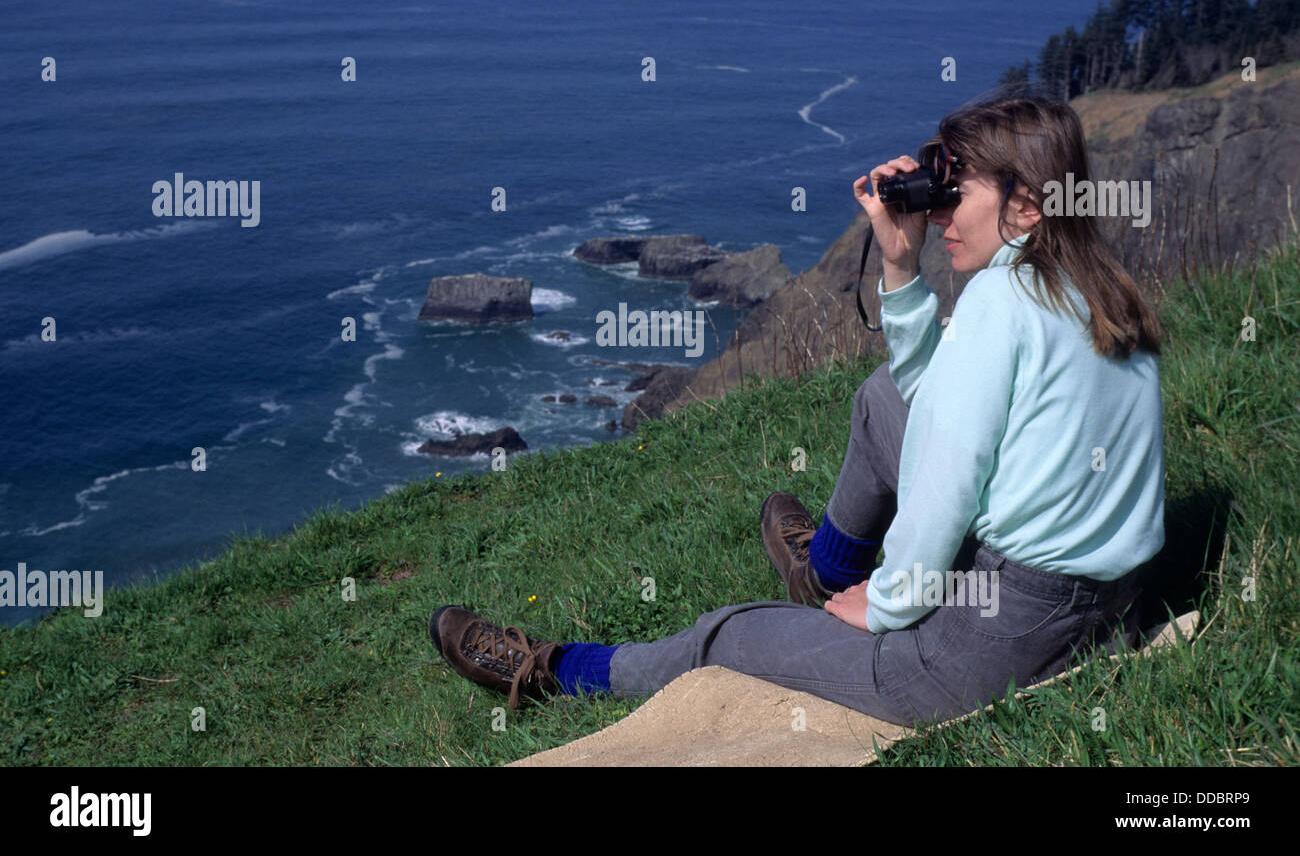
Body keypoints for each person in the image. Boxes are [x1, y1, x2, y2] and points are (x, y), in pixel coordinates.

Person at [427, 94, 1166, 726]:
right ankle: (821, 572)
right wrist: (901, 266)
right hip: (1108, 605)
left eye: (956, 192)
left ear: (1027, 203)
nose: (940, 212)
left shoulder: (999, 305)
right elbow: (927, 396)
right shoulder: (1091, 284)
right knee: (882, 401)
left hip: (993, 643)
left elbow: (947, 480)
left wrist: (884, 604)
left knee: (733, 635)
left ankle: (553, 669)